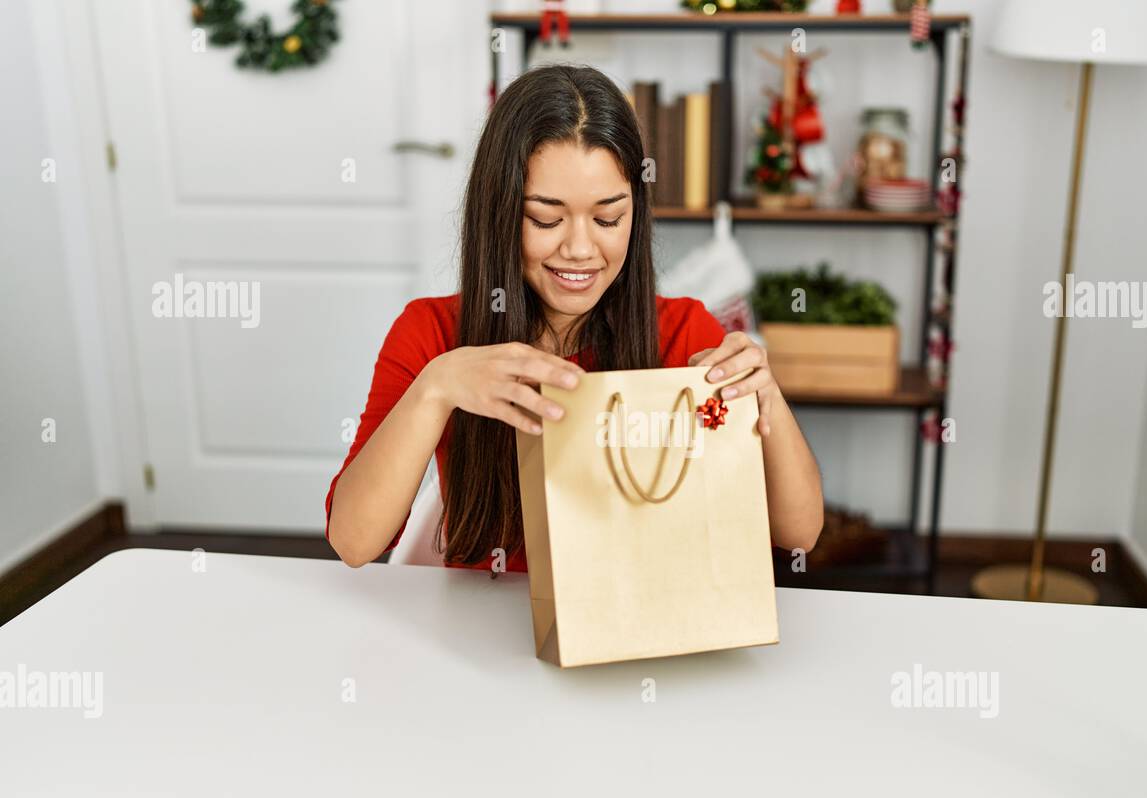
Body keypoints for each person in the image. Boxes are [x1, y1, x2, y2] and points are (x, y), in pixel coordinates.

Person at [326, 64, 823, 570]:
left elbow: (799, 534)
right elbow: (354, 541)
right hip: (478, 628)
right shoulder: (431, 332)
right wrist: (435, 391)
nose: (581, 249)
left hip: (632, 629)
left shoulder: (683, 333)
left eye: (609, 218)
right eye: (545, 218)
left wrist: (768, 397)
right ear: (498, 212)